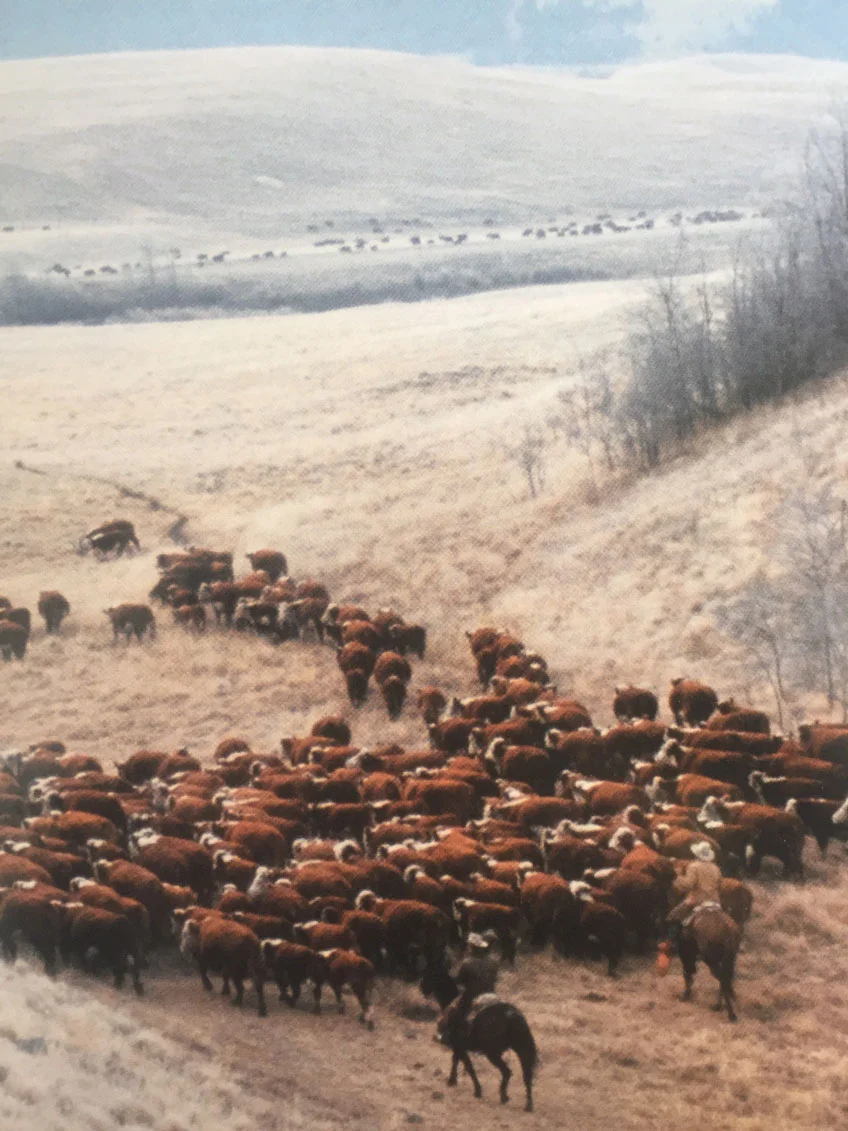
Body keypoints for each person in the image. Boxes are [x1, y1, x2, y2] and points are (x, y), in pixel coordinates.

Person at [664, 841, 723, 944]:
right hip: (715, 901)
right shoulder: (716, 868)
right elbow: (719, 885)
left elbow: (687, 885)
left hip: (696, 900)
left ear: (696, 854)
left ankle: (670, 943)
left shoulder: (694, 866)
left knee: (672, 917)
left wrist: (677, 877)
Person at [454, 932, 500, 1007]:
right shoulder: (494, 961)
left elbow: (460, 981)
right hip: (490, 994)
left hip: (472, 998)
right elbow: (494, 978)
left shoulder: (467, 963)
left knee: (454, 1010)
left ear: (471, 947)